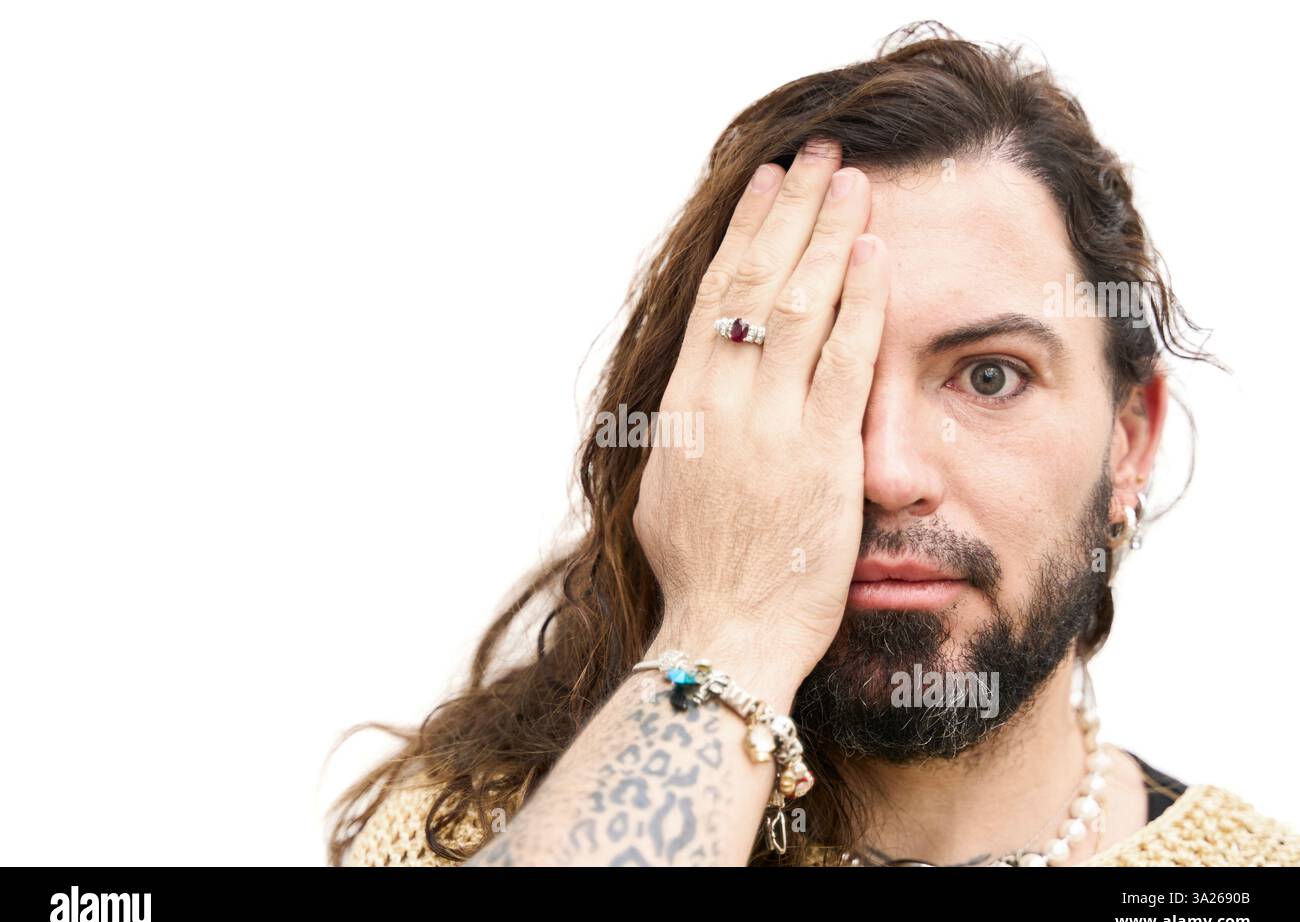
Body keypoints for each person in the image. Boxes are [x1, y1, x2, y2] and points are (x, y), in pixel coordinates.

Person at [329, 22, 1299, 867]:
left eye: (990, 375)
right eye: (812, 373)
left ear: (1129, 444)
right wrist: (726, 629)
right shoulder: (461, 828)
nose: (888, 471)